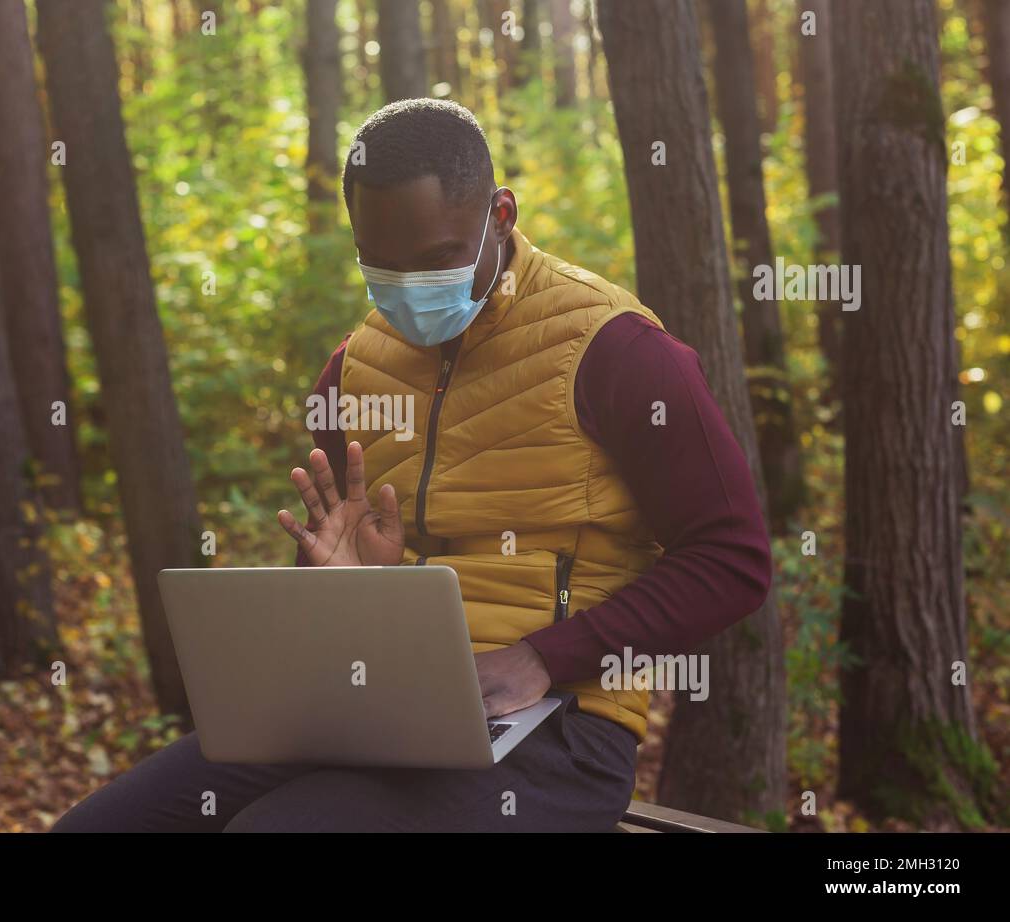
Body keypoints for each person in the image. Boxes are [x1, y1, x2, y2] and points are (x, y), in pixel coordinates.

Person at [52, 98, 772, 833]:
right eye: (381, 265)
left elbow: (732, 558)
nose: (408, 287)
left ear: (501, 214)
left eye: (435, 260)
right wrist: (337, 593)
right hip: (369, 704)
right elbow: (342, 586)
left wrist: (542, 657)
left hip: (556, 725)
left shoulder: (616, 349)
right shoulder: (351, 370)